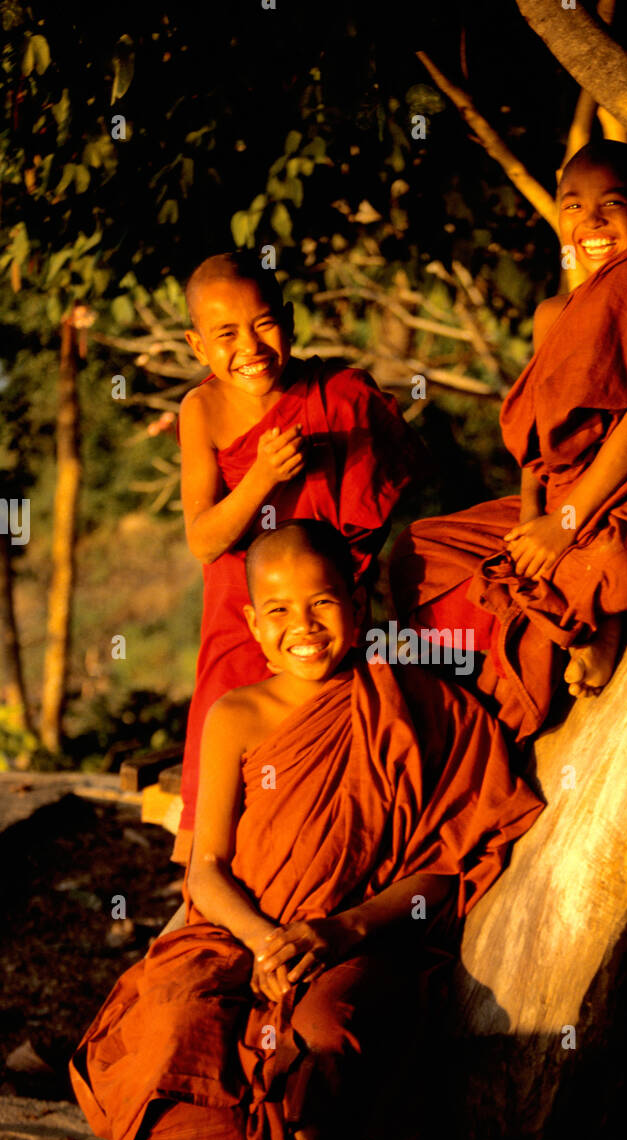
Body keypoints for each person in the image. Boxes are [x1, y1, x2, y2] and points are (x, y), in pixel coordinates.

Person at [70, 521, 543, 1140]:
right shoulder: (235, 716)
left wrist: (340, 929)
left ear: (358, 606)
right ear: (253, 624)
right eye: (279, 611)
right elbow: (209, 872)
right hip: (231, 934)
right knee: (171, 1029)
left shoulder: (415, 708)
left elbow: (448, 868)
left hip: (355, 939)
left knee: (327, 1034)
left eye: (322, 603)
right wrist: (262, 940)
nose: (303, 627)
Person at [390, 141, 627, 740]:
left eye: (612, 203)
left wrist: (563, 527)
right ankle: (556, 632)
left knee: (617, 558)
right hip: (564, 501)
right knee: (424, 549)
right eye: (574, 206)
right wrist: (531, 527)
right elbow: (537, 441)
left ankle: (597, 626)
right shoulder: (551, 313)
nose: (591, 220)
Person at [174, 251, 424, 863]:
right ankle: (205, 906)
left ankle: (313, 889)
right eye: (225, 334)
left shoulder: (340, 397)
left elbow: (377, 511)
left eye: (263, 324)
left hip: (324, 617)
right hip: (243, 620)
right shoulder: (201, 410)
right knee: (217, 804)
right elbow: (203, 538)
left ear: (289, 320)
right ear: (197, 345)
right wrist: (259, 478)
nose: (250, 346)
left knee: (320, 786)